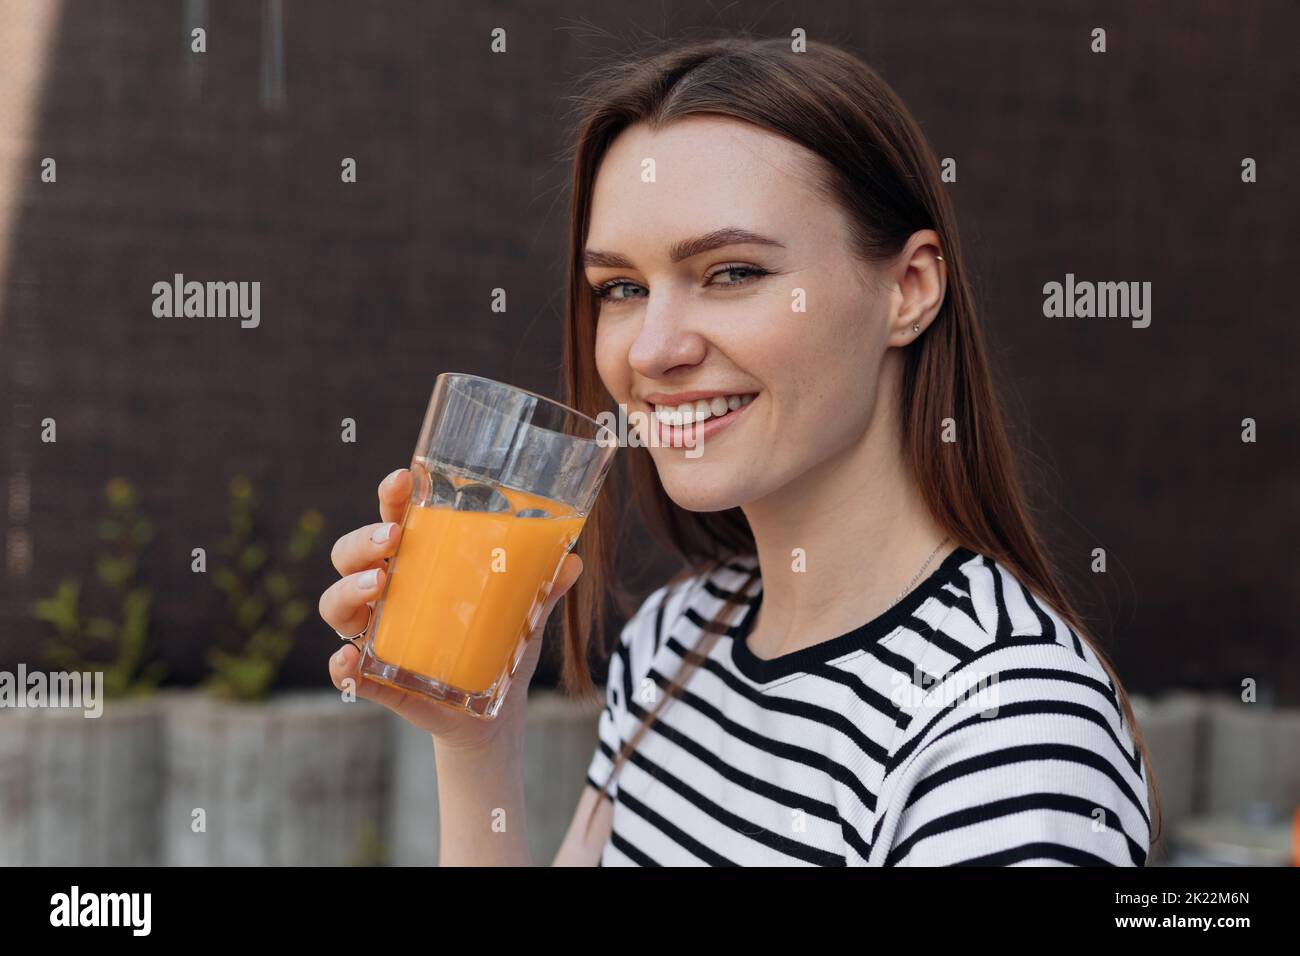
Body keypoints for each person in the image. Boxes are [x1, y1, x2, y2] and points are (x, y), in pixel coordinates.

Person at [319, 35, 1160, 866]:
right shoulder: (676, 638)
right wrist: (475, 740)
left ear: (908, 291)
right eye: (621, 288)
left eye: (731, 273)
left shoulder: (1004, 730)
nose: (650, 350)